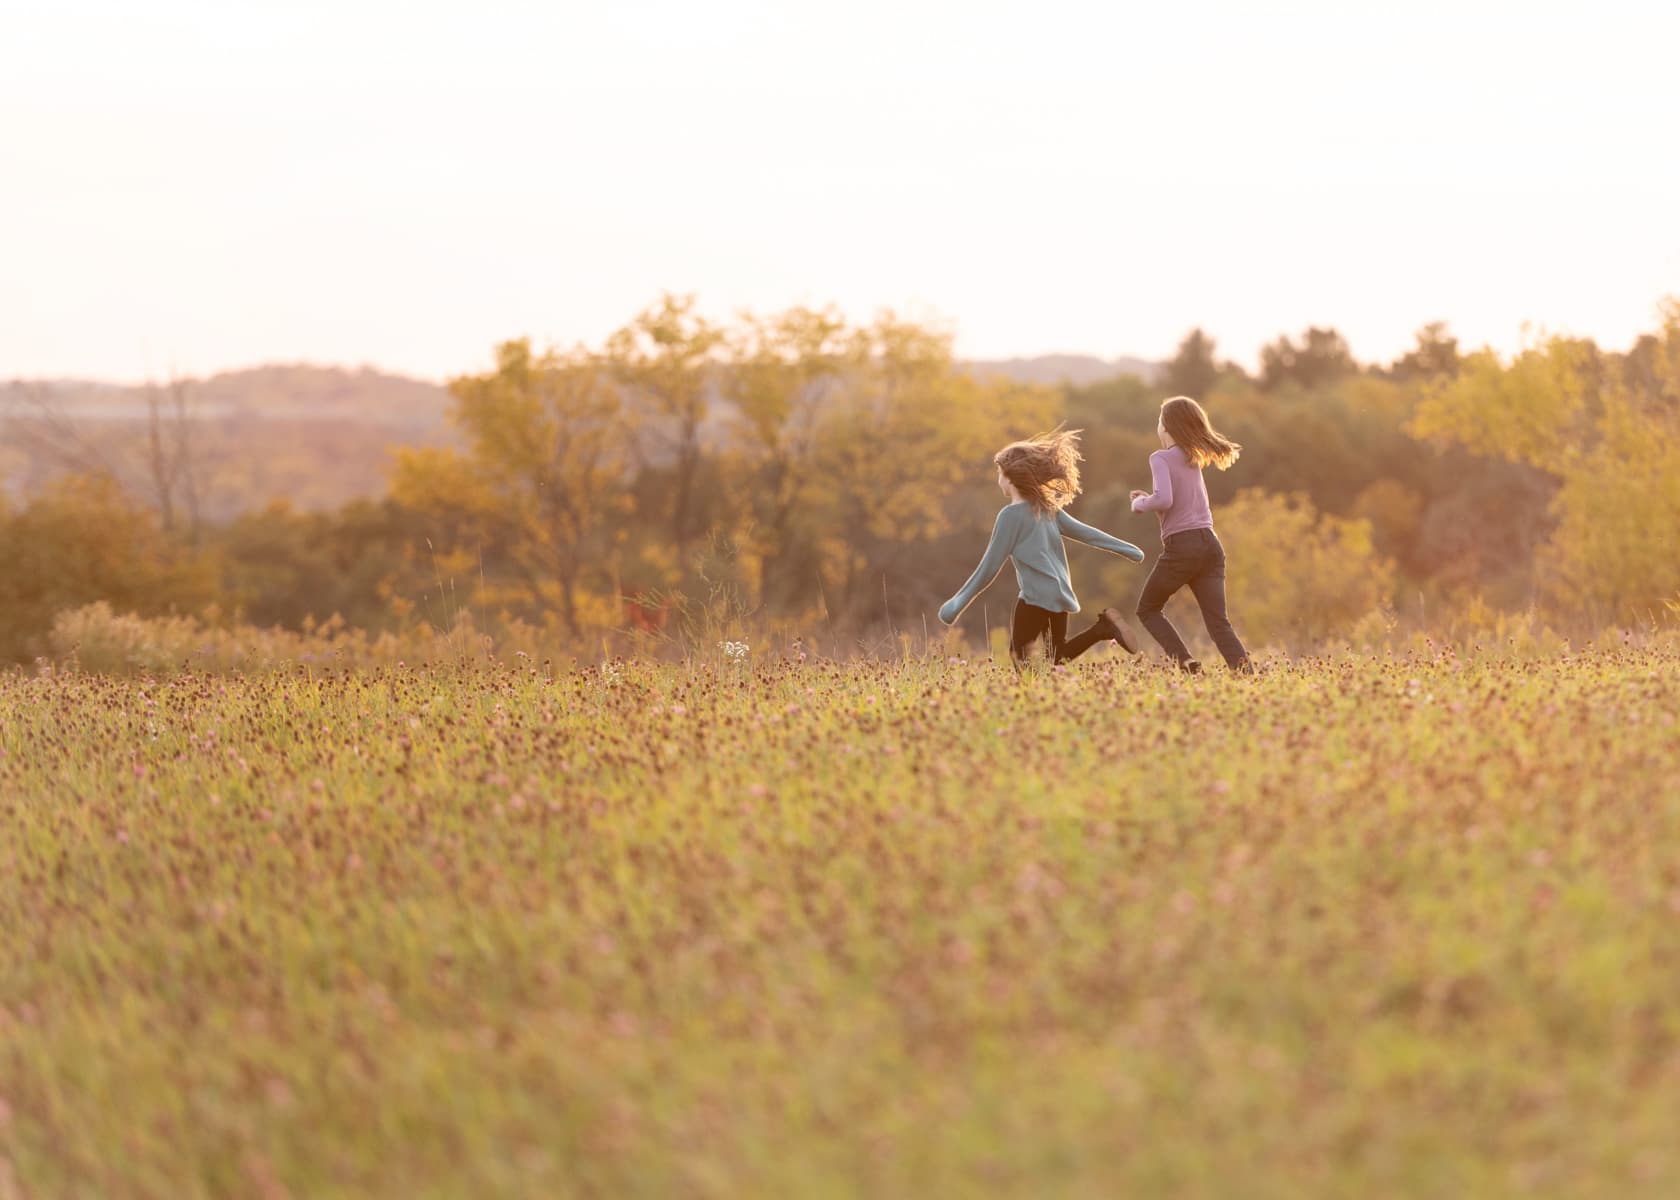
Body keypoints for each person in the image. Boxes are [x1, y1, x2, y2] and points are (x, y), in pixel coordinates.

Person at [938, 428, 1145, 664]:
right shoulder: (1047, 509)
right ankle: (1103, 629)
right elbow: (1088, 534)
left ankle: (1032, 696)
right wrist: (1129, 549)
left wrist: (956, 604)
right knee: (1057, 656)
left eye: (999, 472)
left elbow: (988, 568)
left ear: (1010, 476)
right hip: (1060, 594)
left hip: (1035, 598)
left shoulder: (1010, 516)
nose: (998, 478)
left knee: (1019, 659)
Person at [1130, 396, 1252, 673]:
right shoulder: (1193, 457)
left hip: (1183, 547)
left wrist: (1139, 504)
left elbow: (1164, 501)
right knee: (1219, 623)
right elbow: (1174, 498)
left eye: (1159, 420)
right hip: (1210, 544)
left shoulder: (1159, 457)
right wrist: (1151, 497)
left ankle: (1185, 663)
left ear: (1166, 427)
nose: (1157, 426)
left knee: (1148, 609)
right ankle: (1247, 675)